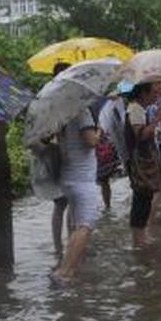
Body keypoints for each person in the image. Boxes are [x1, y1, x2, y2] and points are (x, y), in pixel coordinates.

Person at [51, 108, 101, 286]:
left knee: (75, 224)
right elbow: (91, 141)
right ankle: (63, 273)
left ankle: (73, 268)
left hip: (68, 176)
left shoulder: (62, 114)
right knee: (85, 226)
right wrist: (99, 131)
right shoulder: (82, 112)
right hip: (82, 178)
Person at [125, 80, 161, 247]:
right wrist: (156, 120)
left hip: (141, 159)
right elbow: (140, 135)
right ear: (143, 93)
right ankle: (138, 239)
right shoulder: (135, 109)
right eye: (154, 92)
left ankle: (141, 236)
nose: (156, 96)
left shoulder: (140, 109)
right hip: (139, 162)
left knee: (145, 197)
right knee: (141, 197)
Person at [49, 62, 73, 254]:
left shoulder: (70, 99)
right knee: (62, 202)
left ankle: (65, 245)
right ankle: (61, 246)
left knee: (67, 202)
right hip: (60, 156)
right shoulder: (53, 101)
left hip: (67, 155)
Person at [96, 90, 129, 211]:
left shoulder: (102, 101)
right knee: (103, 180)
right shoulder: (93, 103)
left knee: (104, 180)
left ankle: (107, 207)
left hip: (104, 145)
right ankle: (106, 207)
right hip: (98, 145)